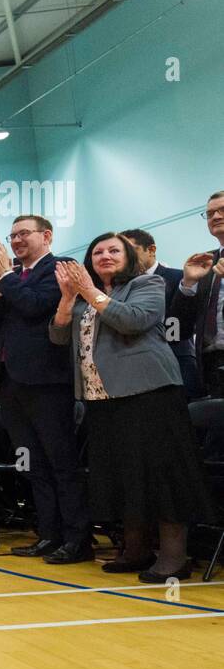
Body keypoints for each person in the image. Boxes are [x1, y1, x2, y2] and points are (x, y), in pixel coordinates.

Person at [50, 233, 213, 582]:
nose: (105, 256)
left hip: (149, 393)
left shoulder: (146, 283)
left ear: (129, 256)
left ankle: (174, 557)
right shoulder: (80, 298)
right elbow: (58, 337)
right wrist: (67, 298)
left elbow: (133, 321)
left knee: (162, 474)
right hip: (102, 398)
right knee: (122, 475)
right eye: (97, 251)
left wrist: (89, 292)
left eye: (113, 250)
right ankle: (135, 549)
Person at [0, 216, 91, 563]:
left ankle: (77, 539)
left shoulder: (61, 268)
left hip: (47, 382)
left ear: (47, 235)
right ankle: (48, 534)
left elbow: (34, 306)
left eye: (23, 233)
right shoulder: (11, 278)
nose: (15, 240)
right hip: (11, 382)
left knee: (61, 464)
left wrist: (7, 278)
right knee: (33, 466)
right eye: (11, 235)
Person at [123, 227, 201, 399]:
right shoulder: (121, 288)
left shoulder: (180, 277)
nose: (126, 257)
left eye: (131, 250)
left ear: (151, 250)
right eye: (122, 252)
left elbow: (182, 326)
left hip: (178, 363)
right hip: (138, 372)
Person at [169, 190, 224, 398]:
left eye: (222, 210)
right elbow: (174, 332)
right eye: (210, 214)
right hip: (211, 367)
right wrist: (187, 285)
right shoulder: (205, 263)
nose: (216, 217)